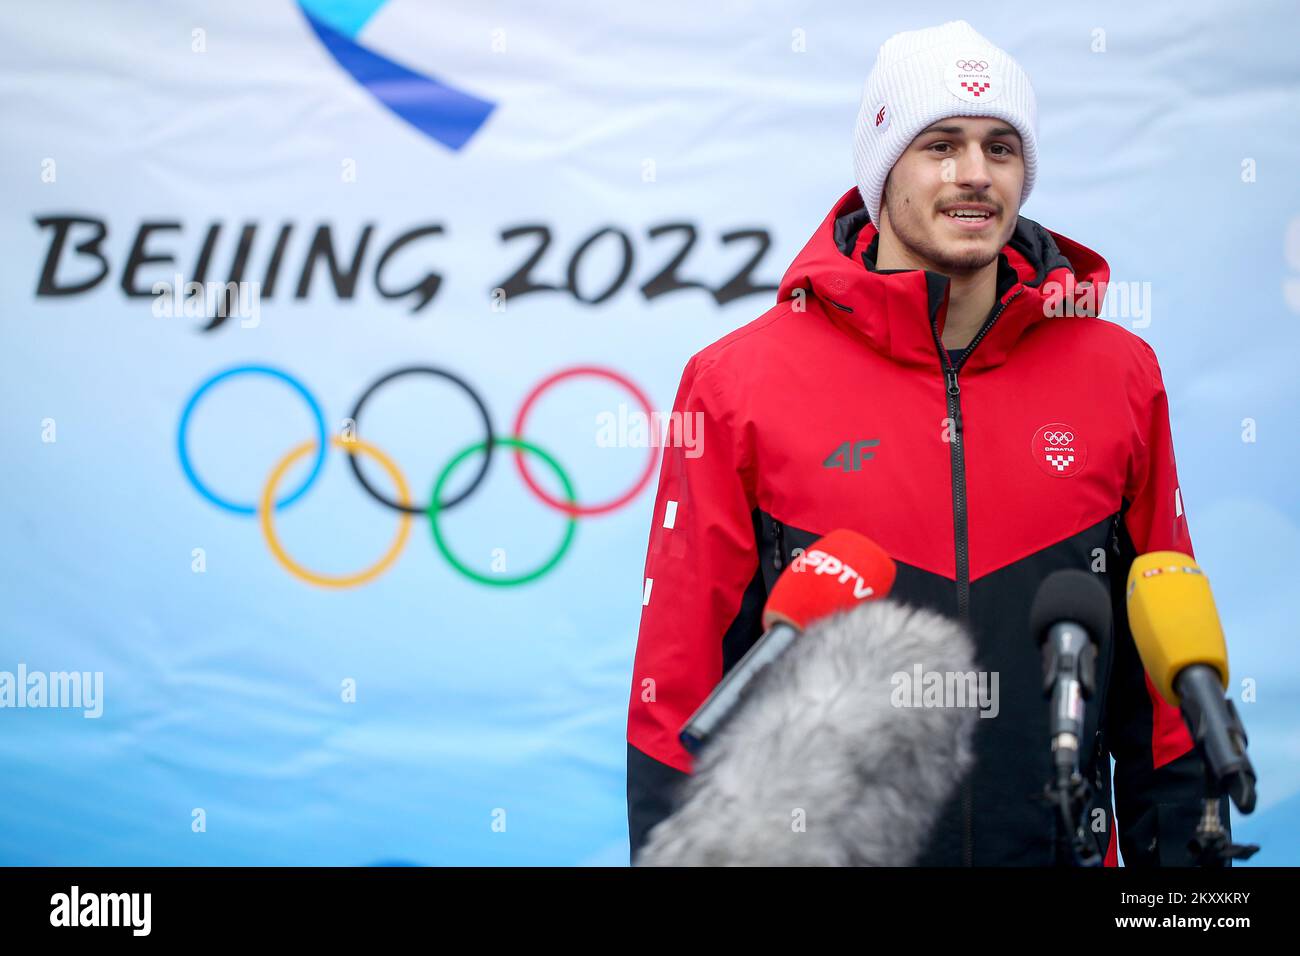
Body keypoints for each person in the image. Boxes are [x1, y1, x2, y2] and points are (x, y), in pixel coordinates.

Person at [626, 19, 1228, 866]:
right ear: (882, 170)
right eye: (940, 145)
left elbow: (1160, 694)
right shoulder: (737, 382)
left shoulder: (1119, 371)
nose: (974, 174)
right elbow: (678, 686)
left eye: (1001, 147)